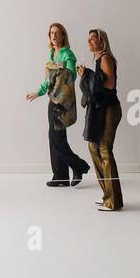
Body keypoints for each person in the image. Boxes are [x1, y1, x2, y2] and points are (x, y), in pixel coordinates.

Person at [25, 22, 89, 187]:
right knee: (55, 137)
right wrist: (37, 92)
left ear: (63, 36)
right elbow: (49, 80)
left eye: (57, 33)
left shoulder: (68, 54)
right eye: (51, 33)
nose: (54, 36)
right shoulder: (52, 54)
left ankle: (79, 166)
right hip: (52, 100)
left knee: (56, 138)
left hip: (63, 103)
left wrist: (55, 68)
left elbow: (71, 75)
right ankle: (60, 176)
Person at [80, 28, 124, 211]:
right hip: (100, 109)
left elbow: (109, 84)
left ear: (101, 41)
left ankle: (113, 201)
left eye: (93, 39)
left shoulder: (105, 58)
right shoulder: (99, 60)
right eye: (88, 39)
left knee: (104, 149)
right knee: (93, 146)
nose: (89, 41)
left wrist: (87, 74)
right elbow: (97, 82)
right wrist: (88, 73)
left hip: (109, 109)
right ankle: (108, 195)